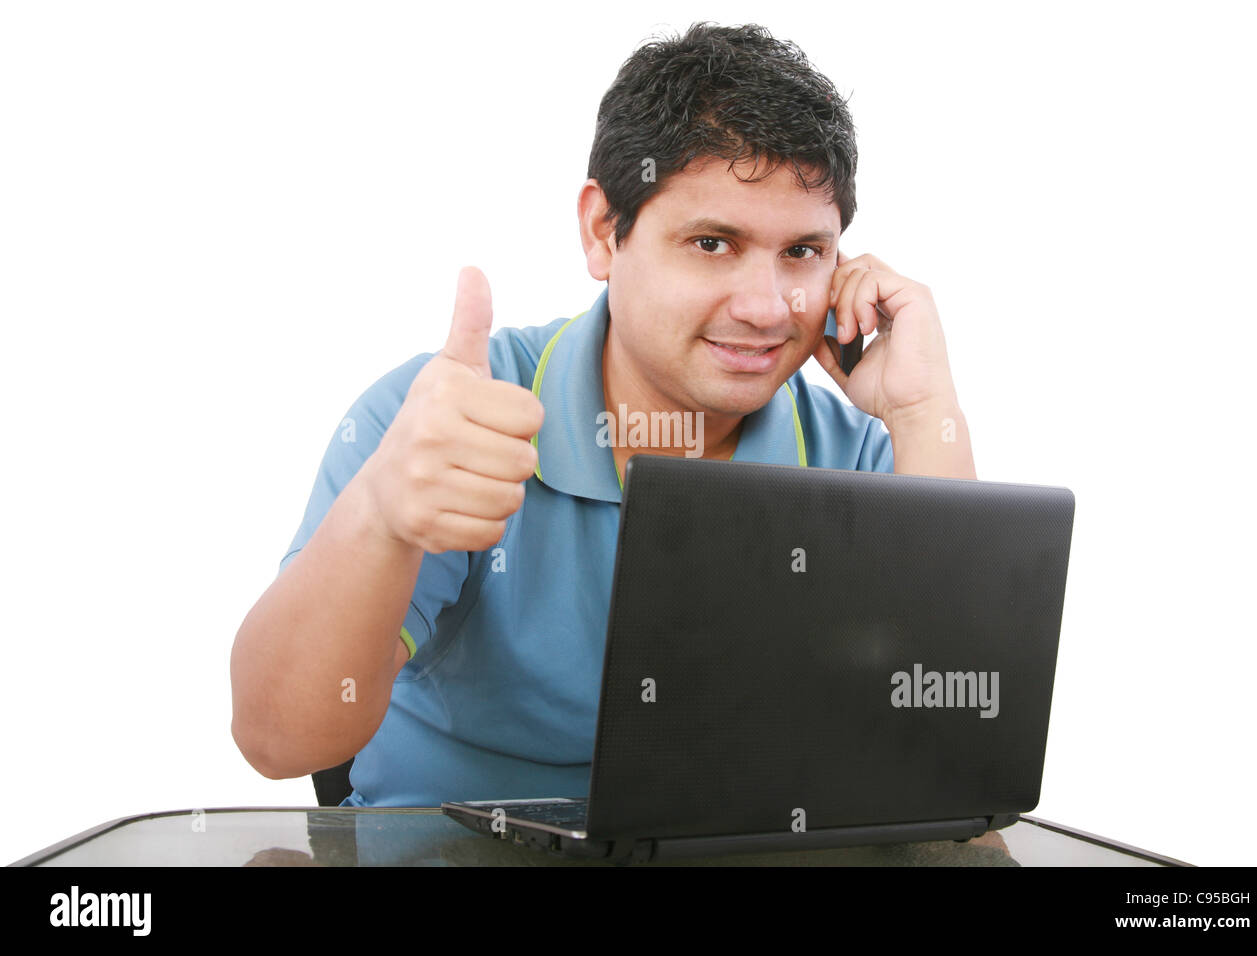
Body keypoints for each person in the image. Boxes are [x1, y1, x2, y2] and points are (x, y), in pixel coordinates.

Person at [229, 21, 976, 808]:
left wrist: (924, 411)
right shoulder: (448, 418)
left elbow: (946, 755)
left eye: (802, 253)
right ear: (602, 232)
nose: (765, 309)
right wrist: (382, 514)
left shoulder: (856, 457)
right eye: (713, 243)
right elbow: (277, 741)